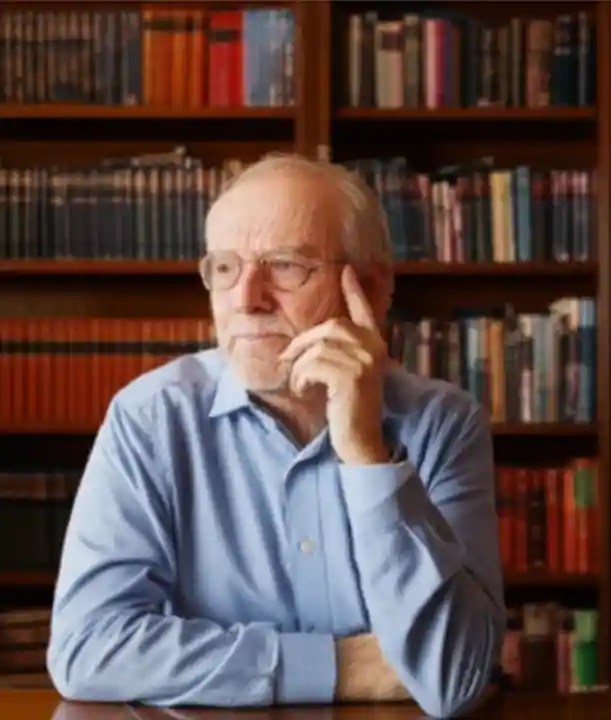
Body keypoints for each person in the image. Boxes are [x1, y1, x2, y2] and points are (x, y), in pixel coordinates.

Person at [45, 154, 504, 716]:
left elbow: (453, 676)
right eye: (225, 269)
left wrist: (367, 456)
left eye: (286, 266)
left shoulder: (443, 424)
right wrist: (340, 667)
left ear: (372, 288)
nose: (247, 299)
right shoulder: (151, 419)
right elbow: (87, 648)